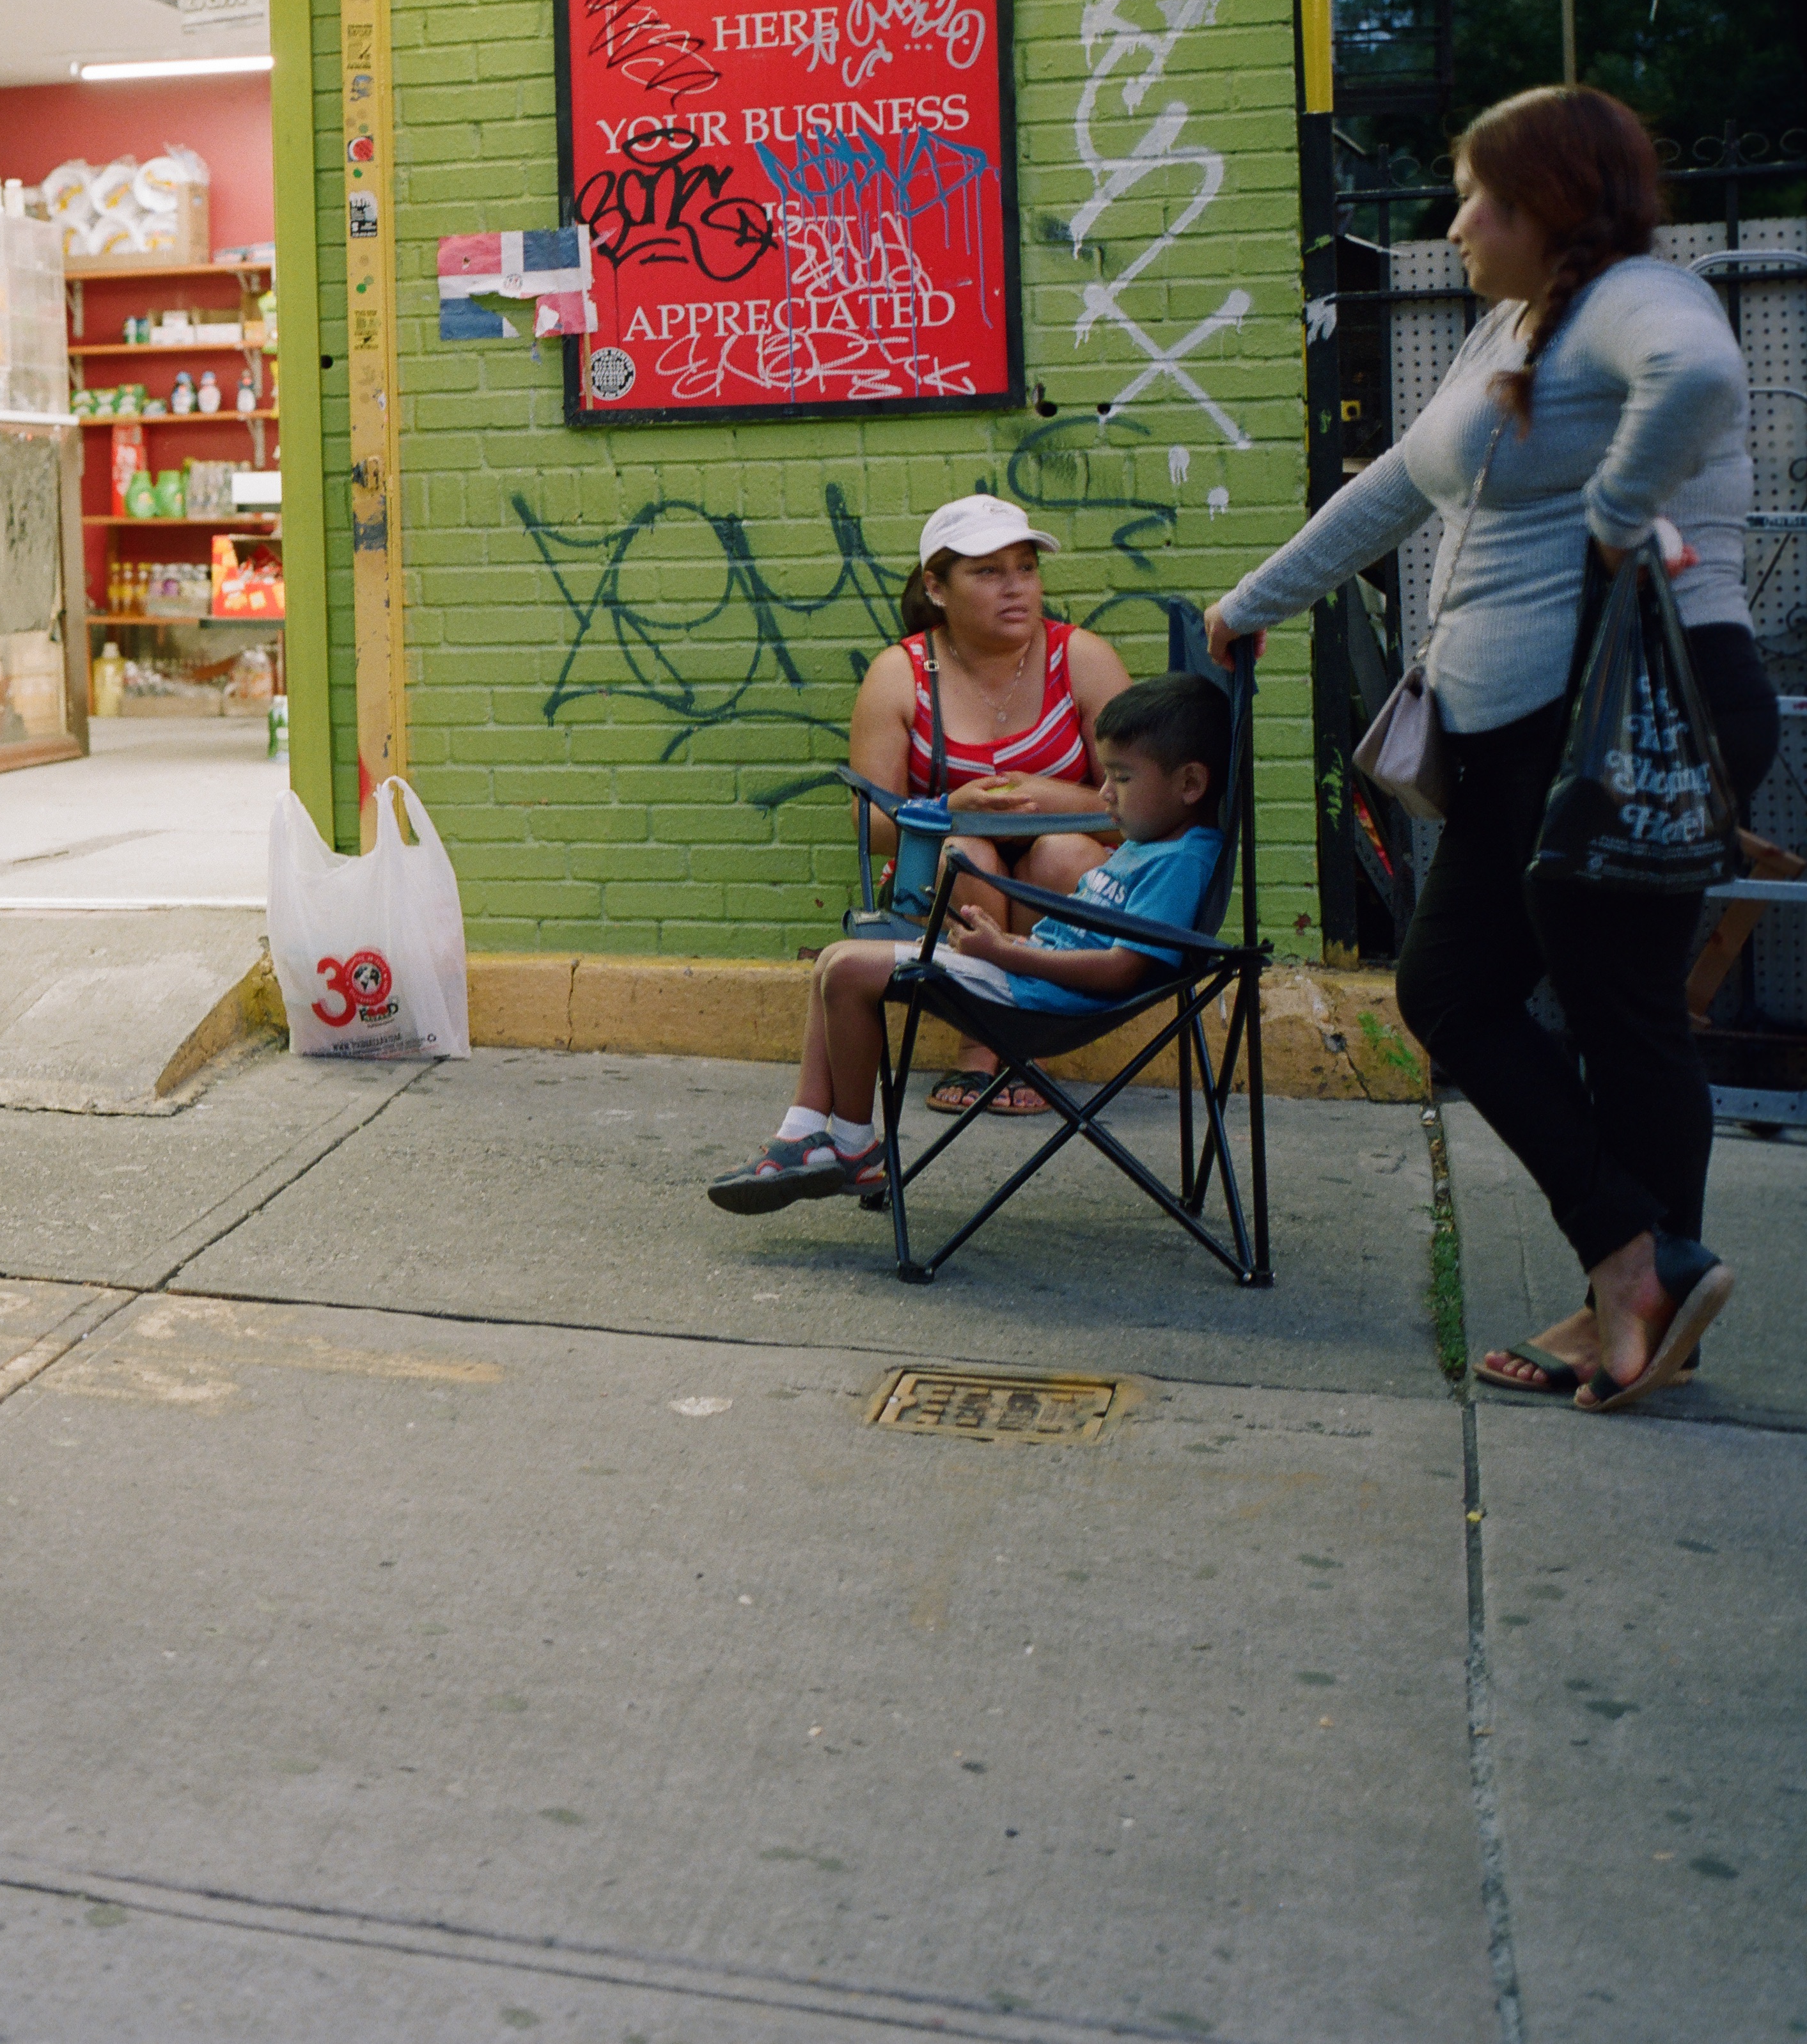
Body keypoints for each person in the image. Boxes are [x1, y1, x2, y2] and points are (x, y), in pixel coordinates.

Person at [1210, 86, 1767, 1414]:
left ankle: (1630, 1285)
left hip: (1625, 716)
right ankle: (1635, 1277)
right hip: (1532, 731)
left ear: (1557, 212)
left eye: (1486, 199)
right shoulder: (1508, 329)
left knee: (1580, 1007)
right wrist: (1250, 604)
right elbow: (1394, 487)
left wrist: (1621, 509)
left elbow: (1698, 376)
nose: (1456, 220)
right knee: (1469, 990)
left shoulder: (1636, 296)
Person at [713, 672, 1233, 1211]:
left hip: (1036, 997)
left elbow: (1124, 968)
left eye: (1122, 778)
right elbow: (1085, 933)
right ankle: (803, 1134)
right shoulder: (1149, 844)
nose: (1105, 794)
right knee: (833, 962)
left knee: (846, 971)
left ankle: (851, 1148)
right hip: (1024, 973)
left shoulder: (1181, 860)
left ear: (1190, 785)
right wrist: (1006, 940)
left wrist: (1009, 952)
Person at [845, 493, 1137, 1116]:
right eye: (986, 571)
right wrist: (947, 806)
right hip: (952, 882)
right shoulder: (899, 673)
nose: (1015, 588)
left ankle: (1029, 1036)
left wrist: (1053, 797)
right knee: (963, 851)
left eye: (1025, 567)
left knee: (1059, 850)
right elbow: (867, 823)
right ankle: (980, 1041)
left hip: (1070, 881)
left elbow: (1149, 806)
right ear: (936, 585)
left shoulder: (1079, 658)